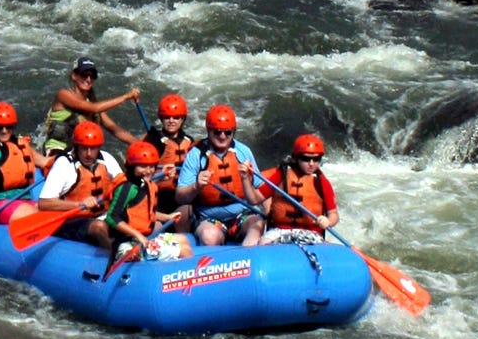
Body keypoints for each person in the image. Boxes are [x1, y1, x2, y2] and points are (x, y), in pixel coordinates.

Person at [175, 104, 265, 247]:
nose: (222, 137)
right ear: (208, 130)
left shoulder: (243, 152)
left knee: (257, 226)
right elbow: (180, 197)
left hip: (242, 215)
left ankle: (248, 257)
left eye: (227, 132)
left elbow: (262, 188)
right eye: (217, 132)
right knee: (209, 237)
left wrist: (272, 216)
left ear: (233, 132)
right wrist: (196, 186)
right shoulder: (196, 155)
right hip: (210, 218)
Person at [35, 121, 121, 239]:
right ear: (76, 146)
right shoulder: (64, 164)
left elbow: (123, 186)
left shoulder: (107, 159)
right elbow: (44, 203)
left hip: (104, 216)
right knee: (99, 227)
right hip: (72, 222)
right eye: (84, 148)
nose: (89, 154)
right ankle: (111, 256)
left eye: (93, 148)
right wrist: (79, 204)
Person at [41, 58, 141, 155]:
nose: (88, 79)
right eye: (84, 75)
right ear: (74, 76)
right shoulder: (63, 95)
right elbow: (95, 108)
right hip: (57, 151)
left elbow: (116, 131)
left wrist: (141, 145)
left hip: (81, 154)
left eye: (92, 76)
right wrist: (126, 97)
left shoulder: (93, 104)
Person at [85, 141, 163, 258]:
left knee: (183, 242)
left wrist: (170, 217)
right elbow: (112, 217)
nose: (148, 171)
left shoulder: (146, 185)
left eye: (152, 166)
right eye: (143, 166)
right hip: (124, 240)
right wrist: (137, 235)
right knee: (183, 250)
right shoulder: (127, 187)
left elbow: (145, 212)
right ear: (132, 166)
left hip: (139, 237)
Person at [260, 134, 340, 239]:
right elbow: (256, 198)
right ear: (296, 158)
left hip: (311, 233)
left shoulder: (322, 182)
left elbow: (334, 214)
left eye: (316, 159)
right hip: (280, 230)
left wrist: (328, 221)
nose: (311, 164)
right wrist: (245, 179)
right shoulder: (282, 174)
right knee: (264, 242)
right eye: (306, 159)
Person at [141, 93, 196, 213]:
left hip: (181, 194)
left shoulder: (189, 141)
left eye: (176, 117)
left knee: (187, 210)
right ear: (161, 118)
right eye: (167, 117)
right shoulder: (153, 140)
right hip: (157, 194)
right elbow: (139, 174)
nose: (171, 121)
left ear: (182, 119)